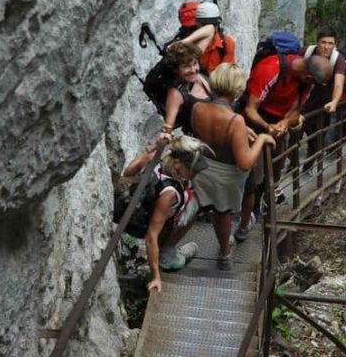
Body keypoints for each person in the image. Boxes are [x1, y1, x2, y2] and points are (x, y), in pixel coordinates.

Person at [189, 64, 276, 270]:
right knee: (223, 211)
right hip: (227, 174)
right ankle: (227, 254)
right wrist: (261, 139)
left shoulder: (197, 108)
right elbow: (245, 163)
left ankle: (223, 251)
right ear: (237, 89)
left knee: (213, 209)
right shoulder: (235, 120)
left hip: (203, 166)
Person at [241, 50, 332, 219]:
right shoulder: (271, 69)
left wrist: (285, 123)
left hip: (279, 121)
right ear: (310, 77)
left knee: (276, 164)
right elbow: (250, 109)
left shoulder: (305, 82)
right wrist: (267, 126)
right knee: (255, 167)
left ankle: (263, 202)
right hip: (257, 119)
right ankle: (247, 210)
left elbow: (297, 108)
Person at [121, 135, 214, 293]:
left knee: (194, 194)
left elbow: (128, 174)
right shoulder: (168, 194)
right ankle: (170, 256)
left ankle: (168, 250)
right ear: (178, 165)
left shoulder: (157, 158)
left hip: (144, 212)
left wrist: (151, 149)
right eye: (192, 170)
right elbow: (151, 236)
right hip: (157, 224)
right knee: (197, 202)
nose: (196, 173)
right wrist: (156, 277)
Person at [303, 27, 346, 156]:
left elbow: (338, 84)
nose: (326, 47)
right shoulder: (307, 52)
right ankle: (294, 165)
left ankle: (314, 165)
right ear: (317, 42)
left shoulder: (340, 61)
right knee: (295, 137)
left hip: (329, 104)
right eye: (323, 42)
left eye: (330, 43)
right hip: (306, 102)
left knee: (322, 139)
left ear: (335, 45)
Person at [161, 41, 213, 135]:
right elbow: (168, 127)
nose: (193, 70)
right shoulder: (176, 94)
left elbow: (210, 29)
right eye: (186, 67)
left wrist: (179, 44)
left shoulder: (201, 77)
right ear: (175, 70)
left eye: (195, 63)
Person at [180, 2, 236, 74]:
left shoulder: (226, 43)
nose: (212, 29)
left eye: (214, 25)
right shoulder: (190, 44)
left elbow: (226, 76)